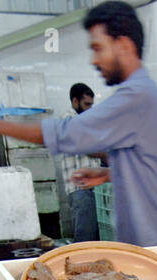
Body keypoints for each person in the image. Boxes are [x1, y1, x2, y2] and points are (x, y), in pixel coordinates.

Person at [0, 1, 157, 247]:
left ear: (123, 45)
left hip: (151, 244)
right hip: (148, 241)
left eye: (98, 49)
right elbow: (148, 170)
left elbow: (67, 132)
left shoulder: (137, 97)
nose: (94, 60)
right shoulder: (146, 94)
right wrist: (108, 174)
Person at [55, 82, 102, 242]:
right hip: (80, 189)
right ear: (75, 101)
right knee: (85, 240)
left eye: (92, 104)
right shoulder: (68, 120)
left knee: (94, 238)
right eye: (86, 104)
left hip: (90, 188)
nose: (90, 108)